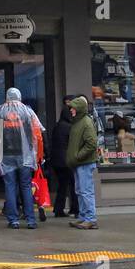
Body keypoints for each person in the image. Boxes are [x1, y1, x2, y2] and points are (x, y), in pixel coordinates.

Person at [0, 87, 45, 230]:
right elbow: (37, 136)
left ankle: (13, 220)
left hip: (6, 156)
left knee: (10, 187)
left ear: (7, 97)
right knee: (26, 187)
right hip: (25, 156)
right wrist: (38, 156)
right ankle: (31, 220)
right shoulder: (28, 112)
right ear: (19, 97)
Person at [66, 96, 99, 230]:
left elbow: (91, 143)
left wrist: (78, 156)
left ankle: (90, 219)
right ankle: (83, 217)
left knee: (86, 191)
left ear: (78, 109)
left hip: (84, 163)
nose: (71, 110)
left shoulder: (86, 122)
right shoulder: (78, 122)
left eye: (73, 108)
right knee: (80, 191)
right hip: (79, 163)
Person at [49, 96, 79, 218]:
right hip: (67, 161)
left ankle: (58, 209)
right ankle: (75, 209)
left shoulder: (57, 126)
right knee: (74, 185)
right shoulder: (70, 127)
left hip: (56, 161)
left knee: (62, 185)